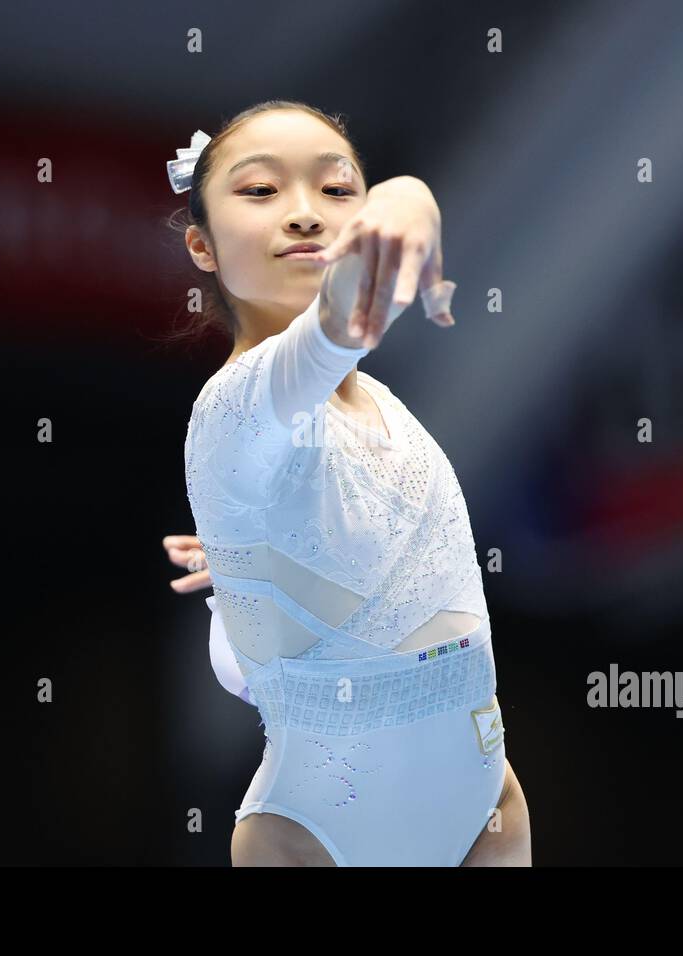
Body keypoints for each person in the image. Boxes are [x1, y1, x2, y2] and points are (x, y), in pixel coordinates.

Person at [164, 101, 529, 866]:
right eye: (260, 191)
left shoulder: (388, 411)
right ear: (201, 245)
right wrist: (409, 199)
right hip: (310, 836)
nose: (304, 215)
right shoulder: (230, 407)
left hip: (487, 804)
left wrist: (251, 574)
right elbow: (348, 318)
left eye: (336, 190)